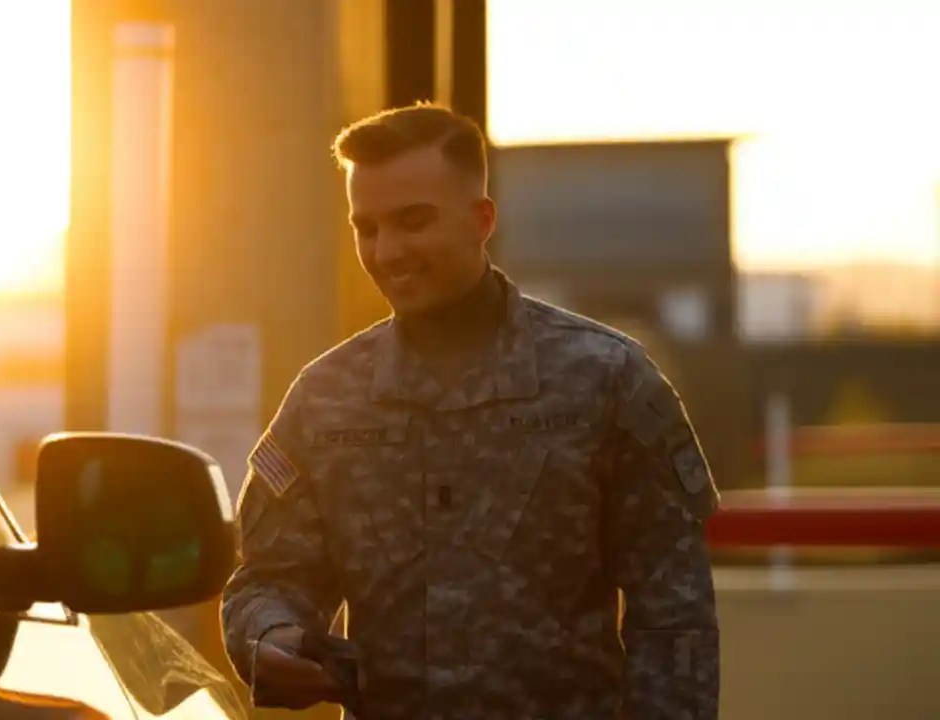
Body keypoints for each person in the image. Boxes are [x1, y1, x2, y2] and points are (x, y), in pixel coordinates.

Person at [220, 104, 720, 719]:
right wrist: (272, 638)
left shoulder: (605, 381)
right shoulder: (326, 399)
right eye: (367, 228)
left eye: (413, 222)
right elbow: (268, 578)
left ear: (481, 220)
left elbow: (673, 620)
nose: (388, 251)